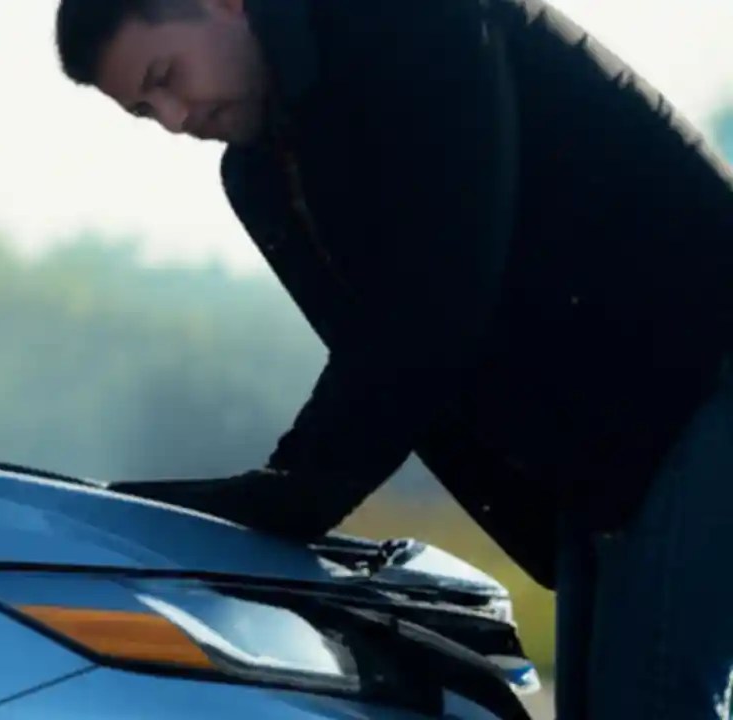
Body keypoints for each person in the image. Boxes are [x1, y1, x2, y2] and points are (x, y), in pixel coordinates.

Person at [53, 0, 733, 717]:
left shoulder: (411, 22)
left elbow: (429, 308)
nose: (173, 118)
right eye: (143, 109)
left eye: (167, 76)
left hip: (700, 370)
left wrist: (291, 491)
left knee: (650, 702)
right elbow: (384, 353)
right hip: (610, 444)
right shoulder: (267, 175)